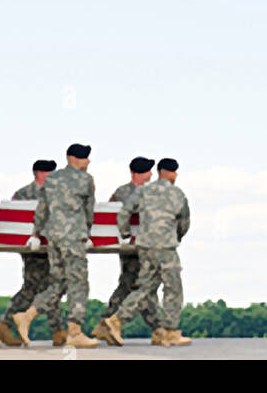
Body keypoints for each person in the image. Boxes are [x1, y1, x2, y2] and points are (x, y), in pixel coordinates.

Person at [96, 157, 191, 349]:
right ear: (171, 173)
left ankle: (115, 321)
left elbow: (123, 213)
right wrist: (177, 237)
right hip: (165, 246)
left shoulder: (143, 191)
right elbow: (184, 223)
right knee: (173, 287)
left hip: (145, 247)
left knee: (145, 288)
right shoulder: (177, 193)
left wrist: (126, 234)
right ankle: (170, 331)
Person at [13, 144, 98, 349]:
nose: (88, 161)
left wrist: (35, 233)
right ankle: (75, 331)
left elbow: (41, 210)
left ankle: (27, 315)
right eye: (85, 158)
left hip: (53, 239)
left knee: (58, 284)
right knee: (79, 284)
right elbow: (88, 212)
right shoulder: (85, 180)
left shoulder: (51, 180)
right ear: (76, 159)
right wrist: (86, 233)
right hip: (73, 237)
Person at [0, 159, 67, 347]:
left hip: (49, 246)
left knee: (44, 287)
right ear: (40, 173)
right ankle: (57, 330)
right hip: (33, 248)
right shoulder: (26, 194)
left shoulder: (50, 192)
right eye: (49, 172)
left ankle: (6, 324)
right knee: (43, 287)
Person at [92, 156, 164, 344]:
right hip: (140, 245)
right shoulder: (147, 193)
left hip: (125, 245)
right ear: (142, 173)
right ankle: (157, 328)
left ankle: (106, 323)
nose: (151, 173)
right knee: (144, 285)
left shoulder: (120, 192)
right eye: (149, 170)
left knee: (129, 284)